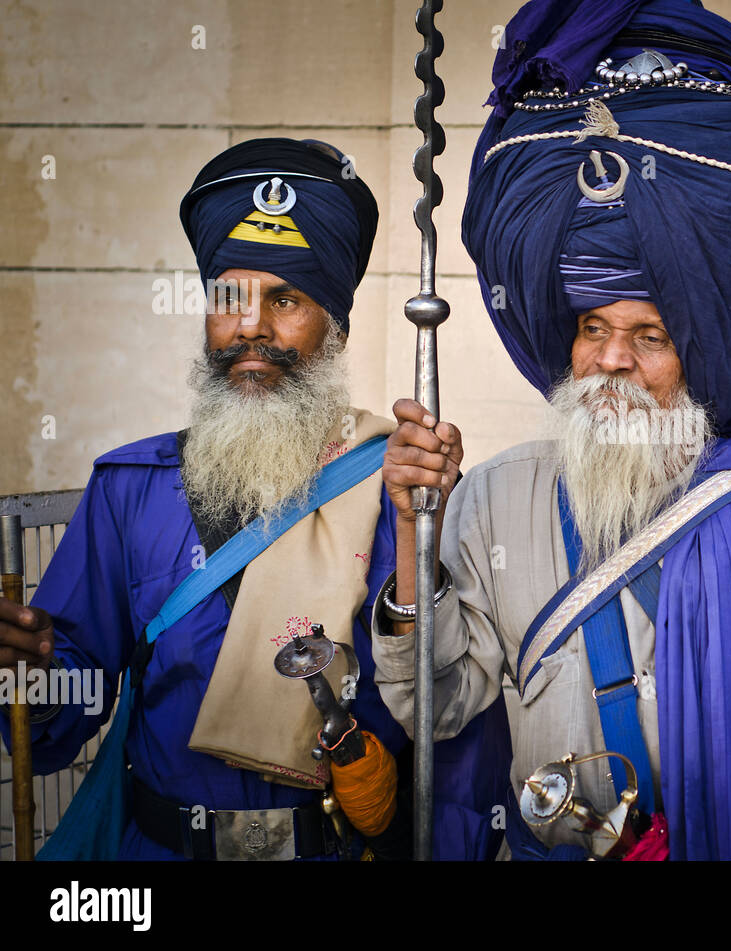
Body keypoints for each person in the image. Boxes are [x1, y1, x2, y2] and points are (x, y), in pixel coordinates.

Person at [375, 0, 731, 859]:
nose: (612, 361)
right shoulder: (490, 499)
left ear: (694, 352)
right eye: (593, 329)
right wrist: (417, 541)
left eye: (649, 336)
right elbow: (436, 705)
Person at [0, 137, 510, 860]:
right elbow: (60, 717)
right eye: (229, 299)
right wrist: (29, 677)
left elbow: (452, 727)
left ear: (336, 330)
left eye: (287, 299)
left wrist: (412, 525)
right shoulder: (129, 489)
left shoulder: (398, 488)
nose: (251, 328)